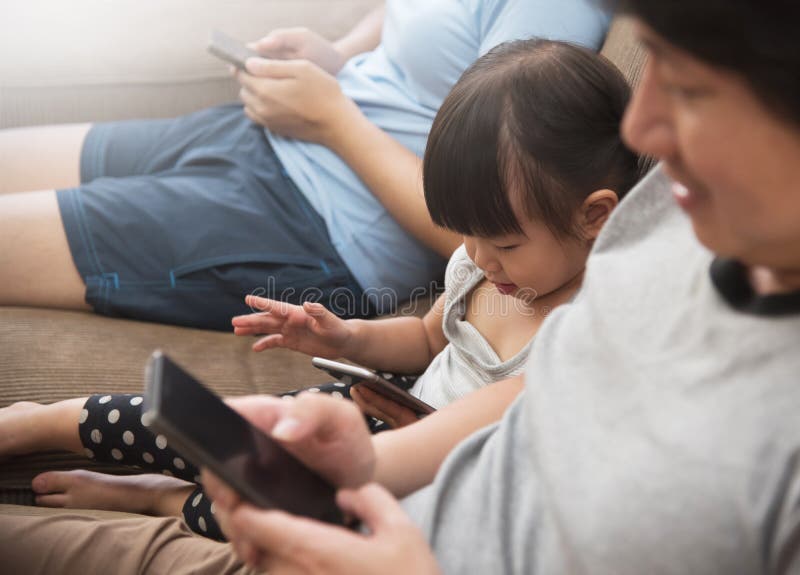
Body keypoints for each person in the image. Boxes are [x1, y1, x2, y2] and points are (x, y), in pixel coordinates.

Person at [0, 39, 640, 544]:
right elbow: (425, 335)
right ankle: (44, 420)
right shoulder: (489, 269)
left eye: (502, 244)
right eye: (466, 236)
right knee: (222, 427)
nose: (475, 257)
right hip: (379, 403)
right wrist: (345, 335)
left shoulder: (576, 335)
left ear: (596, 217)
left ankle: (160, 499)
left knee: (289, 510)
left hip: (416, 471)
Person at [0, 0, 610, 330]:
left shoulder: (553, 21)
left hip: (312, 227)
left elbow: (486, 223)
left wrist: (333, 119)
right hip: (265, 136)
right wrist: (338, 57)